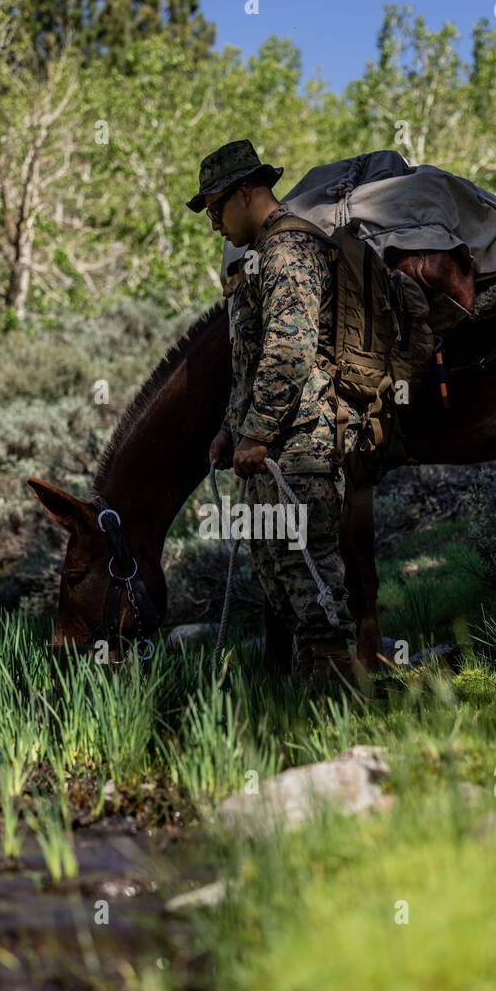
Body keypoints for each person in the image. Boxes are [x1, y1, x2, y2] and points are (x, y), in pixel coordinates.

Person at [187, 139, 361, 687]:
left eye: (216, 206)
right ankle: (314, 701)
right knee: (279, 572)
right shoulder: (258, 257)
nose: (213, 221)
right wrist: (228, 431)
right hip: (266, 453)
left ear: (247, 192)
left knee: (308, 571)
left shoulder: (288, 251)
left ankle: (340, 695)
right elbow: (252, 362)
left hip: (300, 447)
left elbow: (289, 351)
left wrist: (256, 434)